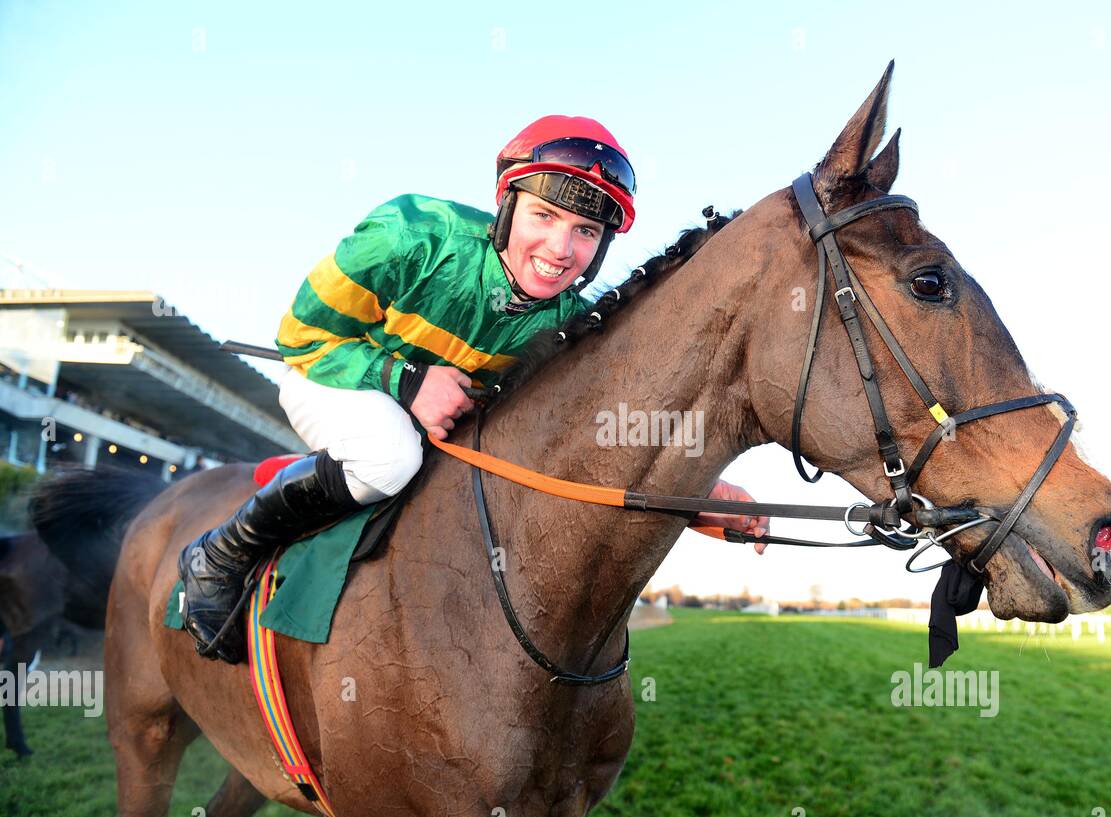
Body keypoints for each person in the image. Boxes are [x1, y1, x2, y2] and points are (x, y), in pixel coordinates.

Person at [178, 115, 767, 665]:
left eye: (585, 230)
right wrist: (405, 382)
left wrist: (703, 495)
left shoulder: (573, 324)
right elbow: (300, 335)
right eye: (544, 217)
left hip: (439, 419)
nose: (561, 250)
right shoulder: (409, 235)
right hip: (326, 374)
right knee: (390, 454)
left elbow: (598, 436)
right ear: (507, 207)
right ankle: (222, 552)